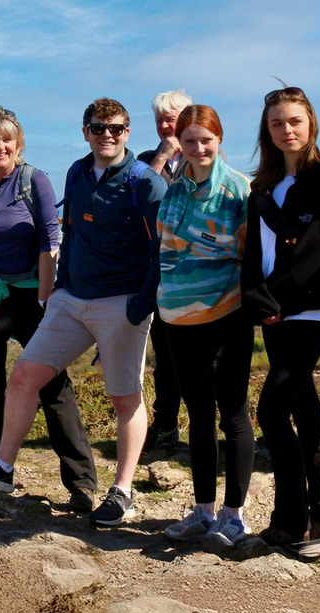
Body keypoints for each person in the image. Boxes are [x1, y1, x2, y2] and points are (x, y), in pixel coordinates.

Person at [0, 98, 168, 528]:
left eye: (117, 128)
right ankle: (2, 470)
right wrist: (62, 287)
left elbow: (159, 250)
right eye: (99, 127)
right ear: (85, 131)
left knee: (122, 397)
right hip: (64, 297)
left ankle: (116, 490)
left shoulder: (144, 183)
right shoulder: (77, 172)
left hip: (111, 301)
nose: (107, 134)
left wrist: (140, 306)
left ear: (128, 132)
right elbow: (69, 234)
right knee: (22, 377)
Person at [0, 104, 99, 512]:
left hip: (31, 296)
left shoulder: (35, 181)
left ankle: (81, 481)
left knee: (51, 384)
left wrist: (46, 299)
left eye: (6, 139)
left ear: (18, 144)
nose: (0, 146)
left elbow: (50, 239)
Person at [242, 85, 320, 558]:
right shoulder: (262, 187)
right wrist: (253, 297)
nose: (287, 130)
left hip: (309, 309)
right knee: (304, 410)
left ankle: (292, 517)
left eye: (294, 121)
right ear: (267, 131)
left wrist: (275, 299)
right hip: (272, 310)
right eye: (277, 123)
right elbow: (253, 251)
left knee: (271, 410)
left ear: (310, 124)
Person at [154, 104, 256, 548]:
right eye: (190, 140)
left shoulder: (239, 190)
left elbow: (252, 256)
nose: (199, 148)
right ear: (180, 142)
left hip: (226, 315)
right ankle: (203, 511)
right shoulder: (175, 189)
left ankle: (234, 516)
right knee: (197, 414)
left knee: (232, 413)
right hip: (177, 319)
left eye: (206, 140)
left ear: (219, 139)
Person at [137, 90, 193, 452]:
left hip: (197, 274)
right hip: (159, 273)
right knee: (166, 359)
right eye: (160, 119)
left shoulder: (203, 156)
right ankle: (166, 425)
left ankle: (212, 427)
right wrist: (162, 157)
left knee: (203, 358)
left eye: (171, 118)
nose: (164, 125)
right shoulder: (144, 160)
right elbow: (137, 196)